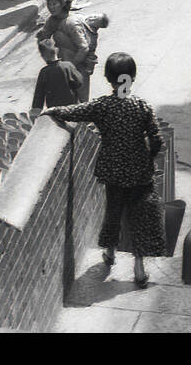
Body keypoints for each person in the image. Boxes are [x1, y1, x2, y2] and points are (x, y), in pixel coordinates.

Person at [47, 52, 166, 288]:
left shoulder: (103, 106)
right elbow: (157, 140)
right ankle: (139, 269)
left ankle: (110, 253)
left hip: (112, 172)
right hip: (140, 173)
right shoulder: (142, 106)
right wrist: (147, 159)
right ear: (131, 78)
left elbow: (75, 111)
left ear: (109, 79)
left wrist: (52, 111)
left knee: (113, 211)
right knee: (139, 217)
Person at [38, 0, 109, 100]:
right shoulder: (52, 20)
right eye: (49, 4)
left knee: (82, 100)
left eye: (54, 4)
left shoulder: (72, 23)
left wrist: (71, 66)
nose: (51, 7)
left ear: (63, 4)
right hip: (64, 63)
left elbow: (84, 48)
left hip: (79, 65)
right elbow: (44, 38)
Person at [31, 39, 85, 109]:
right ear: (57, 51)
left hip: (54, 110)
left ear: (43, 56)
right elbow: (79, 82)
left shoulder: (44, 72)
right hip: (71, 107)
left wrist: (36, 110)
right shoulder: (68, 66)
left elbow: (39, 95)